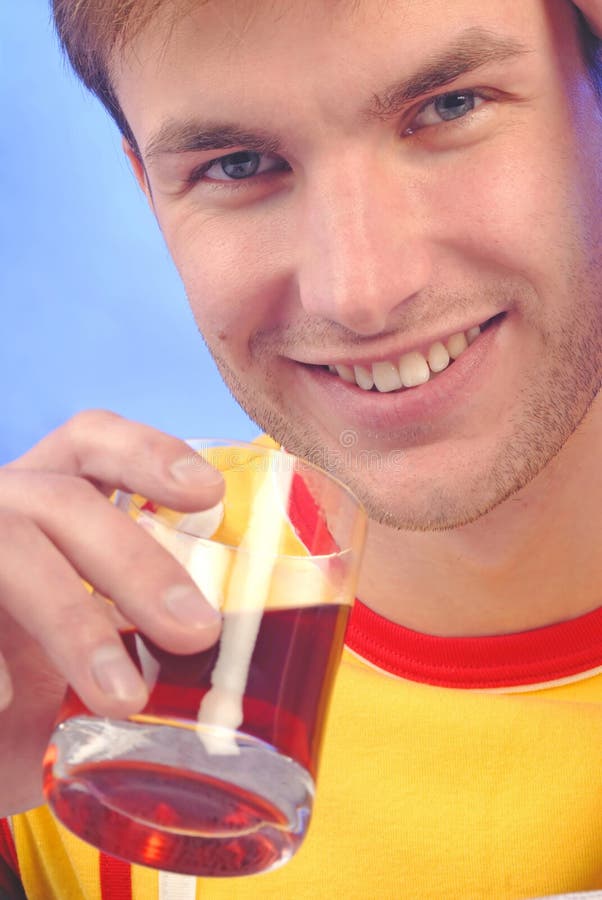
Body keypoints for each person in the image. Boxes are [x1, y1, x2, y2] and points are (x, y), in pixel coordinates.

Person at [1, 0, 601, 897]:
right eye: (236, 164)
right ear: (149, 195)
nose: (362, 291)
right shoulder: (77, 672)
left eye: (450, 107)